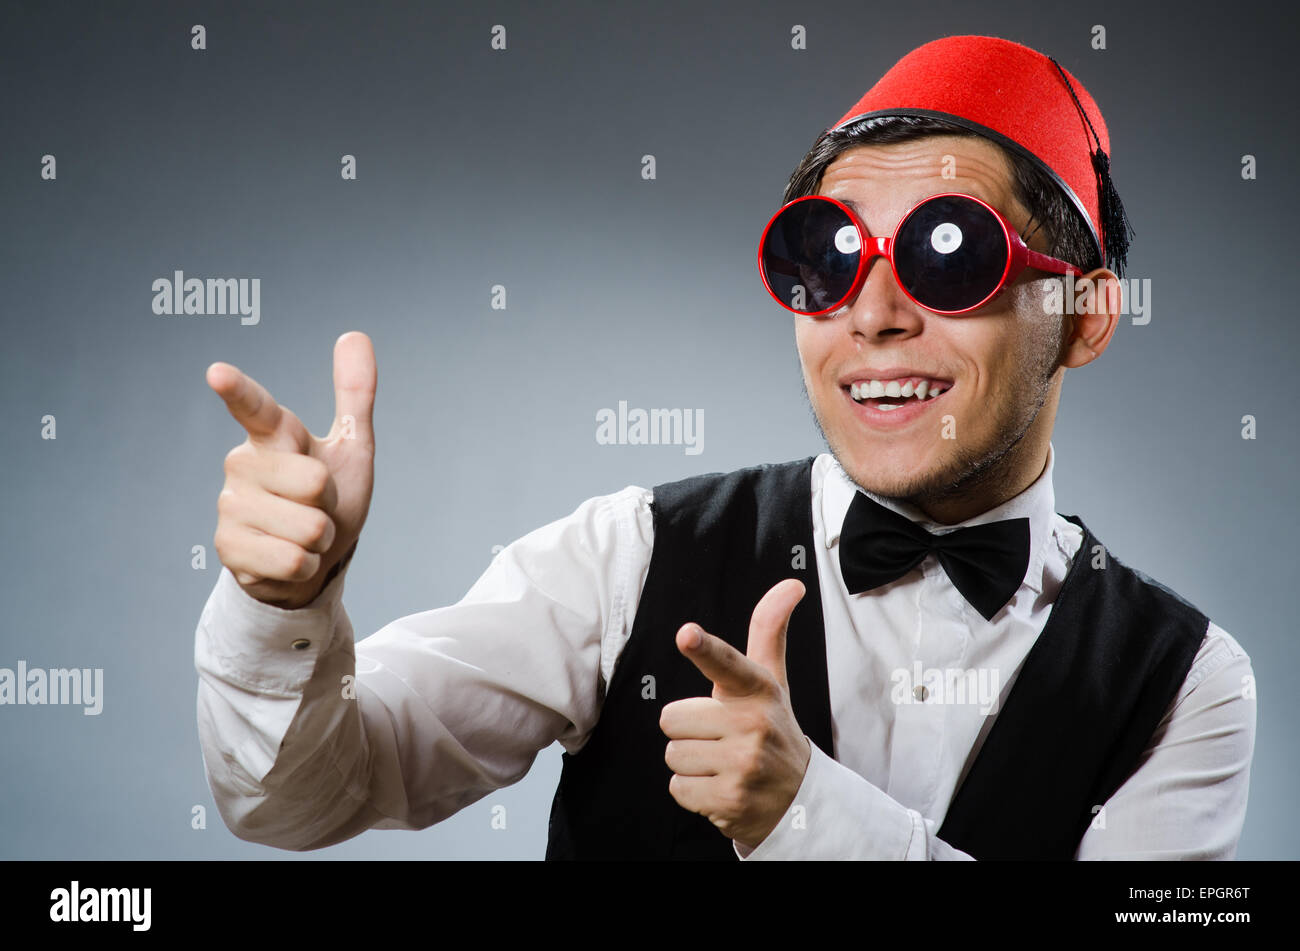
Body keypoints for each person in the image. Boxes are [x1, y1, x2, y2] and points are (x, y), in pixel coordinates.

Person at [194, 35, 1254, 860]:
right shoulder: (625, 558)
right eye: (825, 255)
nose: (871, 313)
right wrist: (281, 611)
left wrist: (810, 819)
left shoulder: (1187, 683)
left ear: (1084, 315)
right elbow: (297, 801)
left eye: (949, 252)